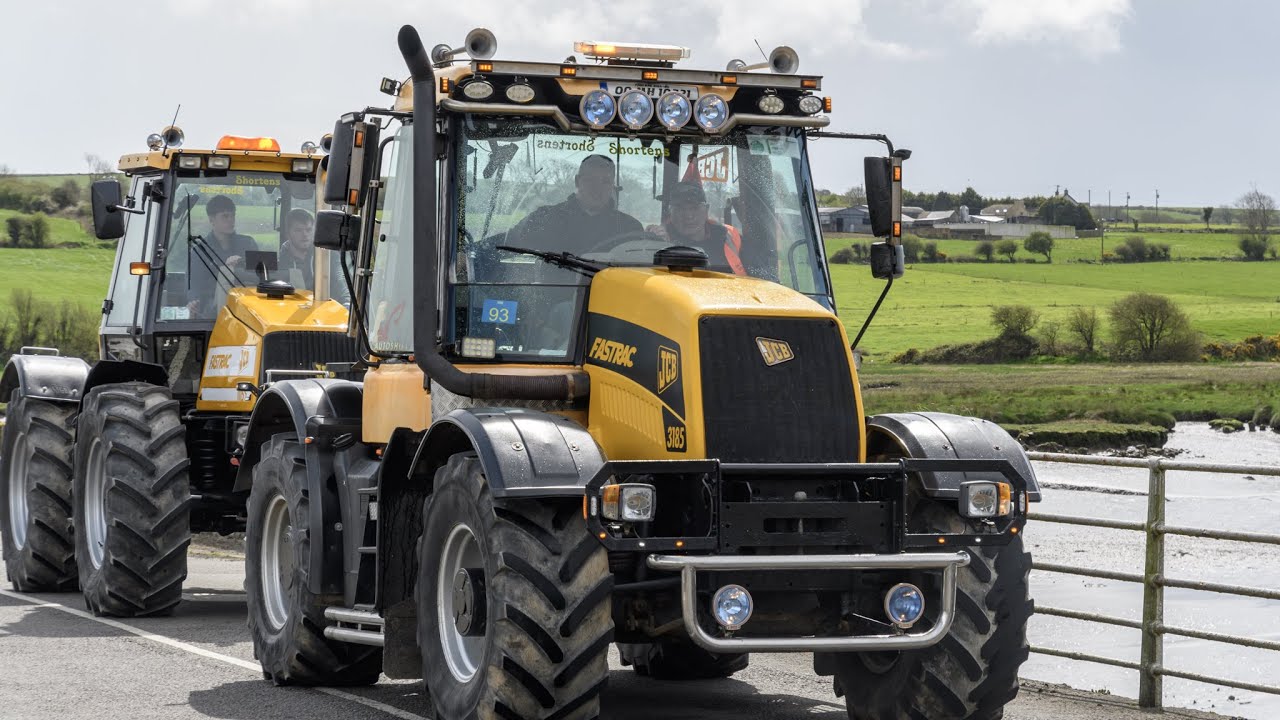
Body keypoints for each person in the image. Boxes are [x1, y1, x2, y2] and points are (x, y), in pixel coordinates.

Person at [507, 154, 642, 255]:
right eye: (590, 180)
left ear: (613, 185)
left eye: (605, 181)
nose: (597, 187)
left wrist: (660, 240)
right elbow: (506, 242)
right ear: (577, 181)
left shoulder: (630, 228)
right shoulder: (545, 218)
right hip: (552, 292)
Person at [650, 181, 745, 274]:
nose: (688, 215)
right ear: (670, 212)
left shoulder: (729, 237)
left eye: (695, 208)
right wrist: (655, 241)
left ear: (706, 210)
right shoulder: (659, 242)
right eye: (680, 209)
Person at [188, 194, 258, 316]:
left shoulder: (248, 244)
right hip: (213, 308)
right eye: (225, 216)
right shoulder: (200, 250)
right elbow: (194, 285)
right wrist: (193, 301)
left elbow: (259, 275)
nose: (231, 220)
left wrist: (241, 265)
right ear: (211, 220)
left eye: (233, 216)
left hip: (247, 302)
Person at [278, 208, 315, 288]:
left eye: (309, 230)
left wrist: (346, 300)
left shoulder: (325, 257)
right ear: (288, 234)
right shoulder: (282, 264)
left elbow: (340, 285)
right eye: (298, 230)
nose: (305, 234)